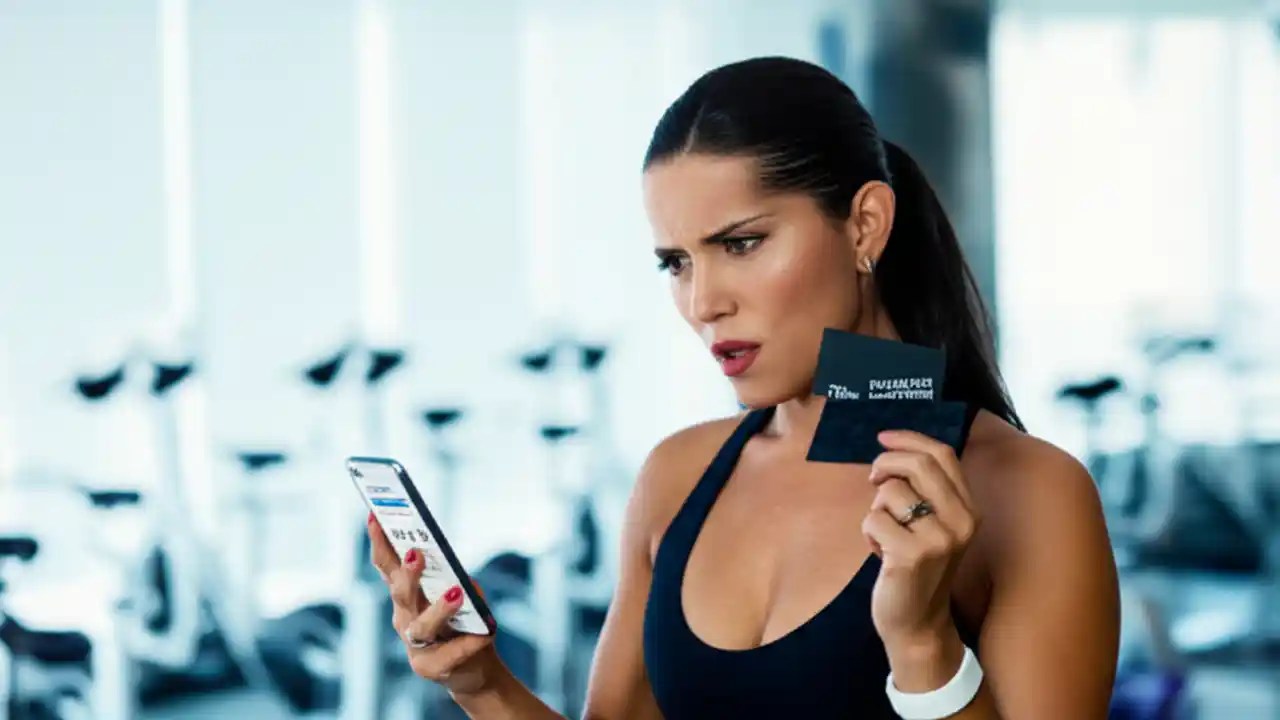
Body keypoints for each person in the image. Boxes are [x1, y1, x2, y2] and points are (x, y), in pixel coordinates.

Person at [368, 56, 1119, 719]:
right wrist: (481, 684)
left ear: (865, 225)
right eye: (677, 263)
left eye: (741, 243)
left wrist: (923, 645)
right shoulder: (677, 477)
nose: (703, 303)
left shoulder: (1030, 493)